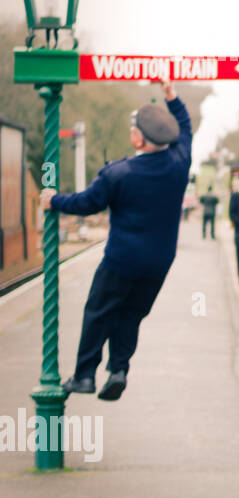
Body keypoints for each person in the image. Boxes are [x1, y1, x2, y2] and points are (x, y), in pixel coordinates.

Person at [39, 77, 191, 401]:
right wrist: (171, 96)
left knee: (99, 311)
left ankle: (83, 376)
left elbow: (85, 203)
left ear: (139, 140)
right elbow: (186, 129)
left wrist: (54, 201)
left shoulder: (118, 174)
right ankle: (119, 368)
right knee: (132, 314)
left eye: (133, 130)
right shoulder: (180, 164)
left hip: (122, 260)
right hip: (159, 262)